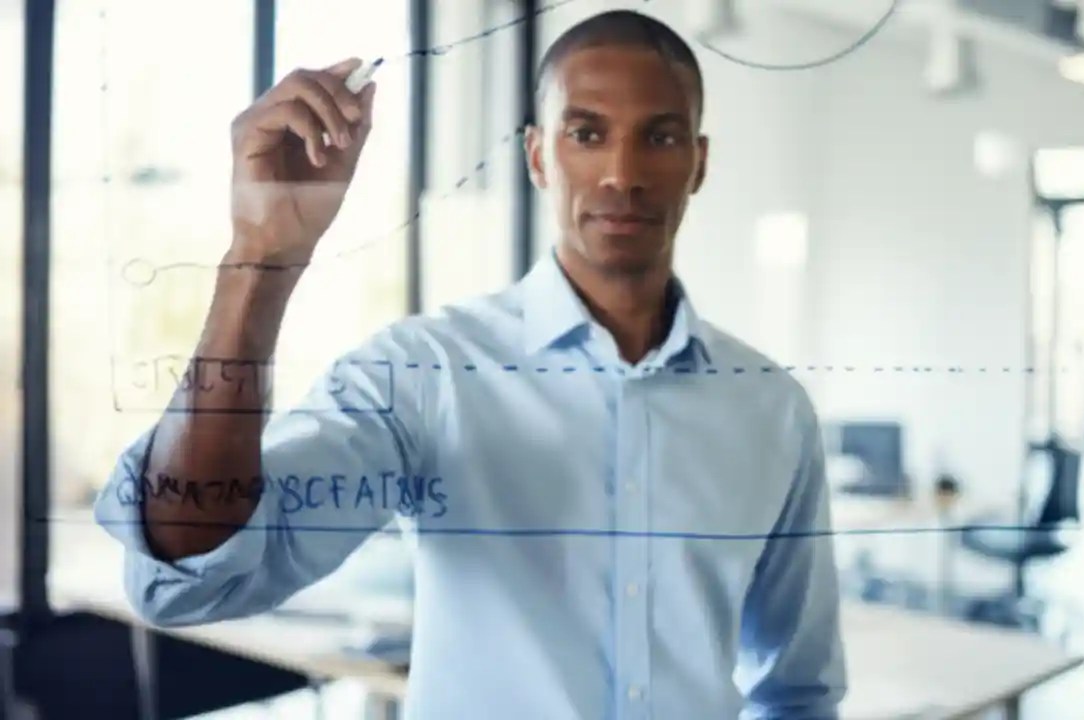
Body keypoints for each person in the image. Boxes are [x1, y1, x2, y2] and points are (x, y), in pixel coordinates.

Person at [94, 9, 846, 719]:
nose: (623, 173)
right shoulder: (425, 375)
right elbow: (190, 572)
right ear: (538, 156)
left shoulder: (772, 409)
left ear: (698, 162)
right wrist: (262, 255)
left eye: (660, 136)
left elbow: (798, 693)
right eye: (586, 133)